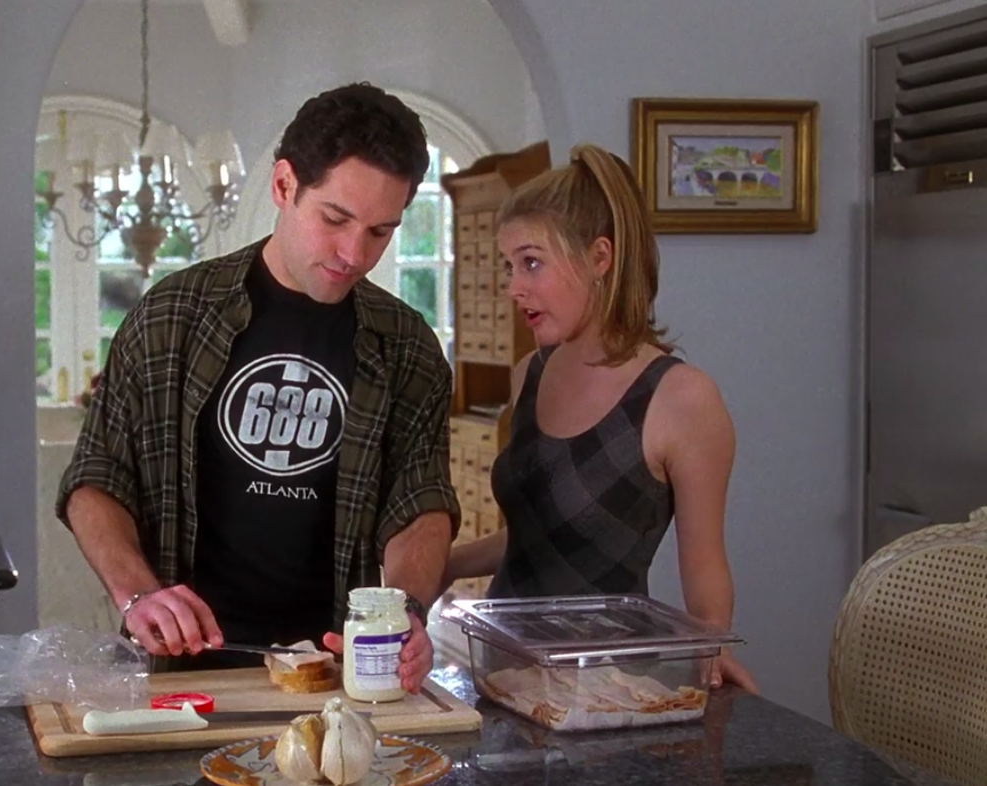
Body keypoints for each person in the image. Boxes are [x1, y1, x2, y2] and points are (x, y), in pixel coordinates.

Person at [56, 83, 459, 693]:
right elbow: (96, 478)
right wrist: (138, 593)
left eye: (380, 231)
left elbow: (421, 504)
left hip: (337, 675)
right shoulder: (172, 316)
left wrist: (403, 612)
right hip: (179, 671)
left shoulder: (406, 345)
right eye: (335, 219)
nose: (354, 254)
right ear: (283, 185)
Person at [441, 143, 757, 692]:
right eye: (510, 266)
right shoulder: (529, 375)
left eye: (531, 262)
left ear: (600, 258)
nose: (514, 287)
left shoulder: (681, 399)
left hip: (608, 685)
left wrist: (710, 652)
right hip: (501, 670)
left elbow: (705, 568)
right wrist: (443, 564)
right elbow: (541, 536)